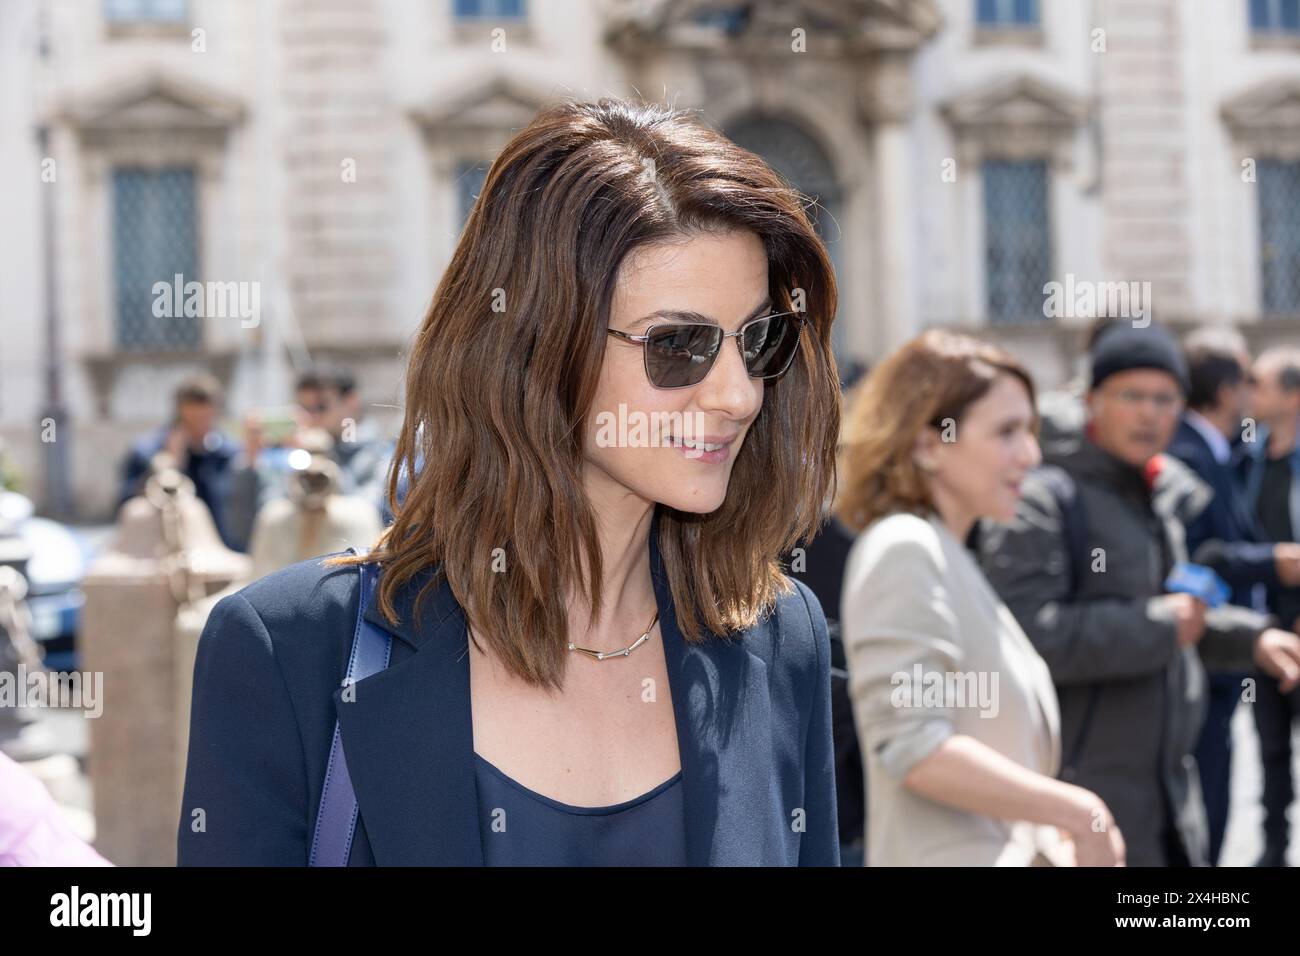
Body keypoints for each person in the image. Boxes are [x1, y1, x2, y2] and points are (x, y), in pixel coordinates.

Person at [177, 97, 842, 866]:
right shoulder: (287, 651)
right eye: (679, 345)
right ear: (534, 348)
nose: (738, 394)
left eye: (757, 339)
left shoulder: (780, 636)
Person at [979, 323, 1300, 866]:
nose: (1149, 413)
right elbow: (1028, 633)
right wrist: (1158, 625)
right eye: (1131, 396)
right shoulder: (1044, 498)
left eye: (1164, 399)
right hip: (1081, 797)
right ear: (1092, 401)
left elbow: (1182, 611)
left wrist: (1253, 639)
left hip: (1171, 800)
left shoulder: (1163, 494)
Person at [836, 330, 1123, 866]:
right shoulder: (906, 547)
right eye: (1007, 432)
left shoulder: (950, 555)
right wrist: (1079, 813)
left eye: (1030, 431)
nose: (1030, 455)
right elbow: (913, 746)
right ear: (927, 444)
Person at [1166, 327, 1300, 864]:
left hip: (1268, 632)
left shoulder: (1223, 452)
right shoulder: (1233, 457)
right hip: (1244, 638)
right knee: (1257, 761)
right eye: (1246, 380)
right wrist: (1272, 565)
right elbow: (1202, 558)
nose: (1251, 391)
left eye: (1260, 382)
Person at [1239, 346, 1300, 865]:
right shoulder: (1249, 458)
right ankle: (1274, 850)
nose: (1247, 393)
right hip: (1263, 629)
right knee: (1270, 747)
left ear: (1291, 394)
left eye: (1257, 383)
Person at [118, 373, 239, 548]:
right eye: (193, 421)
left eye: (205, 420)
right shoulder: (146, 452)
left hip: (219, 548)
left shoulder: (226, 453)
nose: (200, 428)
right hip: (161, 550)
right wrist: (169, 465)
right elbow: (127, 504)